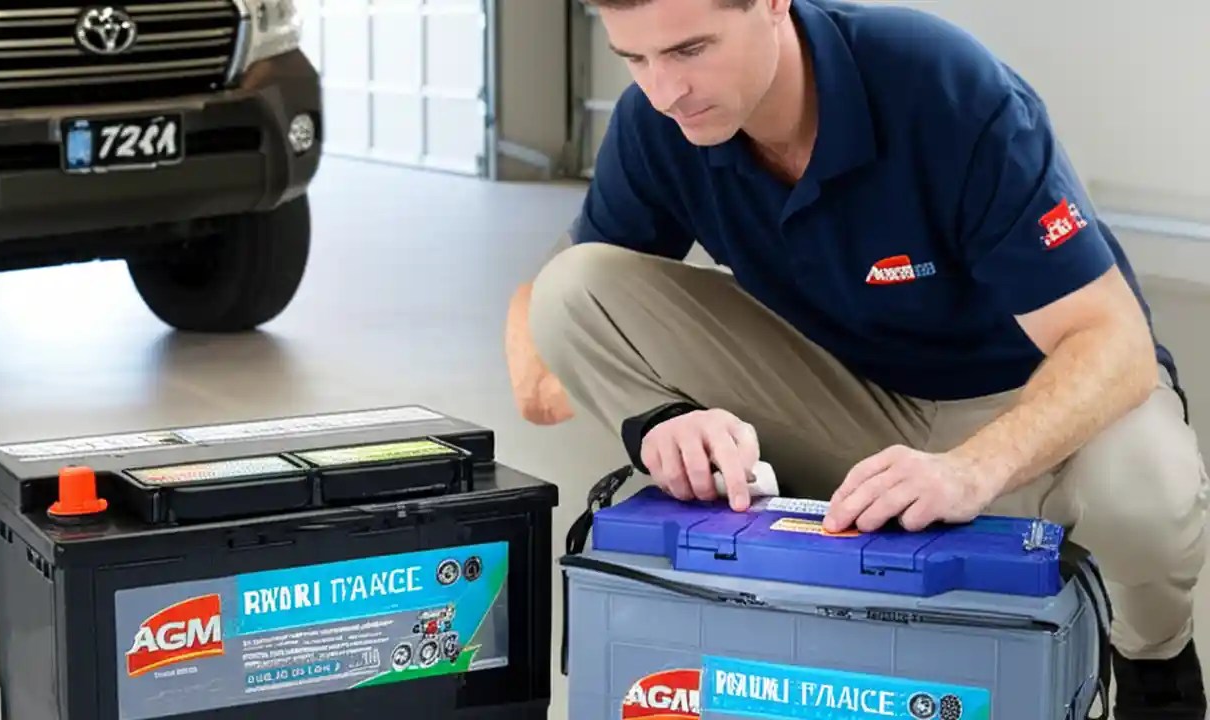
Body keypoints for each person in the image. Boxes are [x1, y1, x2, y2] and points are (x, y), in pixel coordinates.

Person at [503, 0, 1209, 716]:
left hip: (1025, 409)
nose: (664, 91)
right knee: (572, 286)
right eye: (634, 59)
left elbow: (1113, 341)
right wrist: (663, 420)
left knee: (1146, 488)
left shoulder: (940, 86)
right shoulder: (657, 123)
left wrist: (974, 468)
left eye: (691, 49)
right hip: (852, 407)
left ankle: (1156, 663)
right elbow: (562, 318)